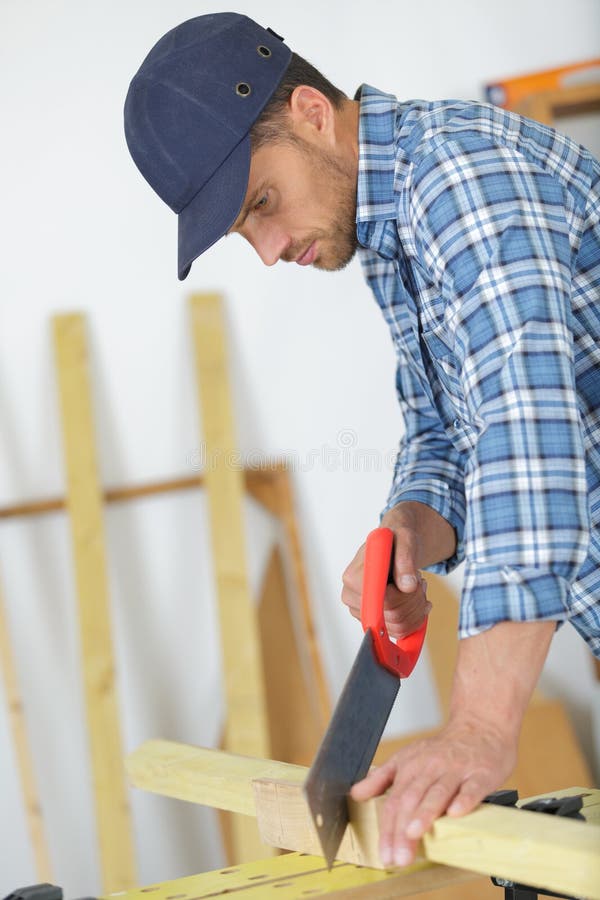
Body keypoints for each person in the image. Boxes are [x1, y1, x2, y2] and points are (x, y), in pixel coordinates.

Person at [124, 13, 600, 867]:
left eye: (262, 203)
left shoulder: (457, 176)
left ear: (311, 111)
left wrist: (482, 729)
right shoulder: (390, 225)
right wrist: (411, 529)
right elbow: (444, 428)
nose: (269, 251)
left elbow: (531, 434)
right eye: (245, 233)